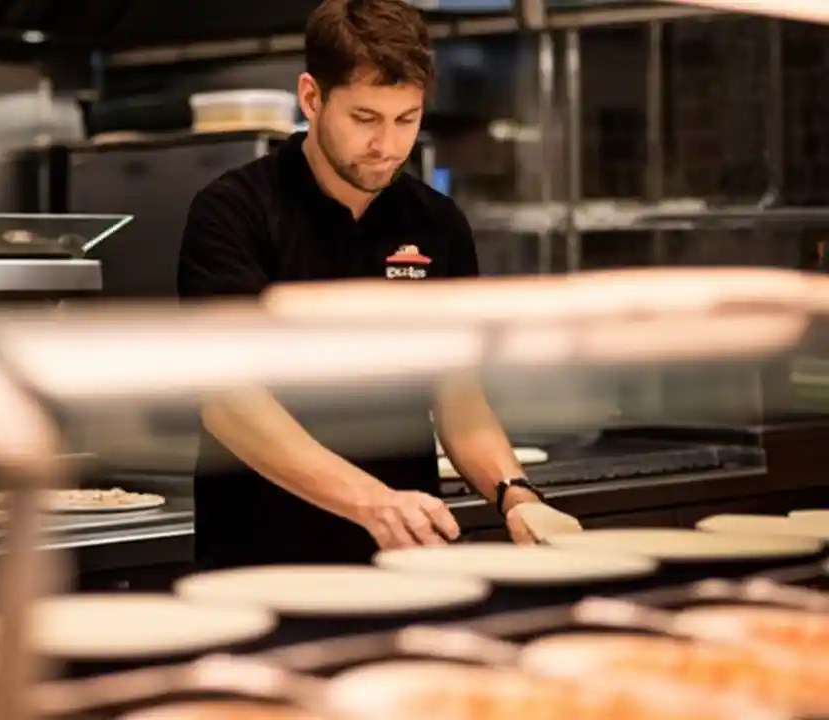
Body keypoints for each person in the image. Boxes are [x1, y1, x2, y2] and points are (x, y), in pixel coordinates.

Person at [177, 0, 581, 568]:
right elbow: (227, 400)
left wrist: (515, 493)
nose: (387, 145)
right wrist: (369, 500)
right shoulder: (232, 211)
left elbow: (458, 398)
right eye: (365, 118)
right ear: (311, 97)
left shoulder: (436, 224)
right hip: (262, 559)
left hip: (406, 562)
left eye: (406, 119)